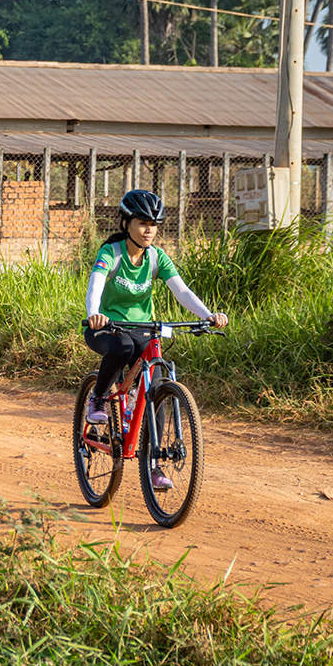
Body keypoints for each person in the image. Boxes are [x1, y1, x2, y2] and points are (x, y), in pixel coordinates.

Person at [83, 189, 228, 491]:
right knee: (123, 347)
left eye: (154, 224)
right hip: (106, 328)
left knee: (158, 386)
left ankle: (154, 466)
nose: (149, 230)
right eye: (142, 223)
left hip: (142, 328)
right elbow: (96, 283)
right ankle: (98, 396)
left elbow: (182, 291)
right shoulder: (112, 252)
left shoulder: (156, 257)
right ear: (127, 224)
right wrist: (94, 313)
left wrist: (208, 315)